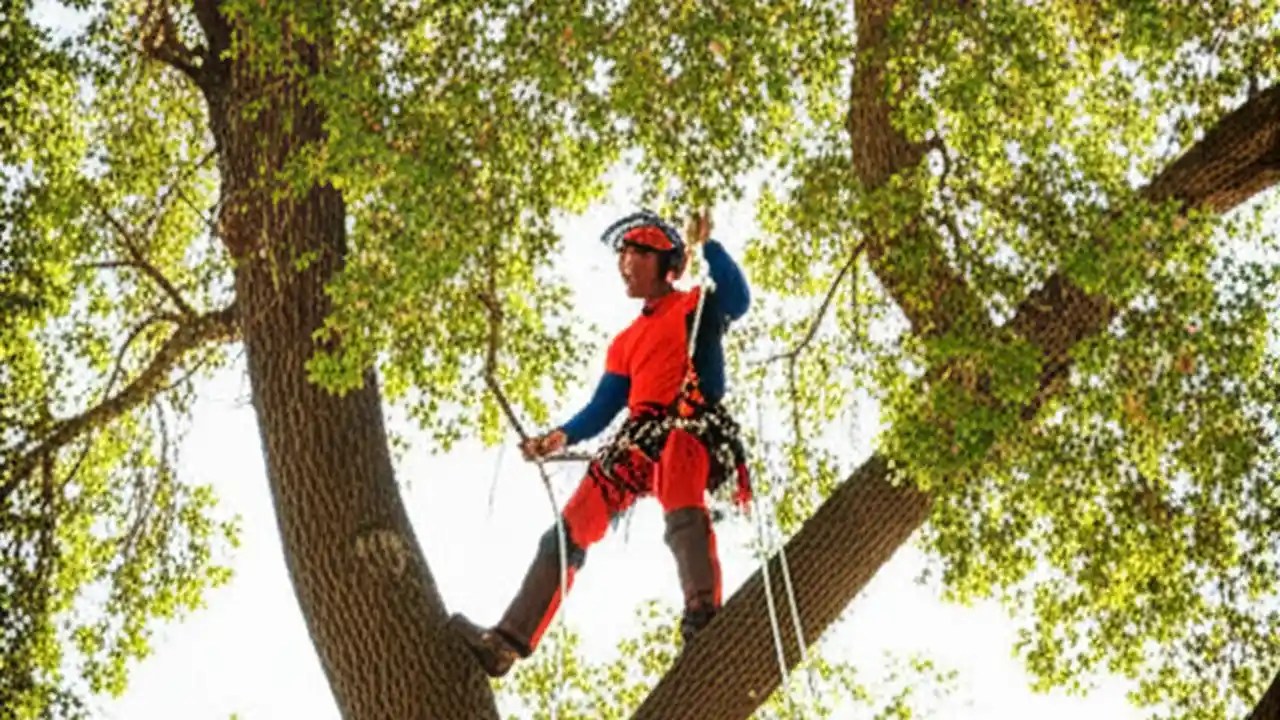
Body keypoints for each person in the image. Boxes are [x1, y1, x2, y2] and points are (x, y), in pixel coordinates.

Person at [449, 210, 752, 678]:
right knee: (568, 529)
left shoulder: (695, 303)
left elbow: (738, 298)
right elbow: (604, 405)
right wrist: (559, 437)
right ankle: (506, 642)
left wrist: (710, 246)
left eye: (639, 252)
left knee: (678, 480)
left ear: (665, 262)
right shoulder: (626, 342)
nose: (626, 261)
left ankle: (704, 614)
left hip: (689, 424)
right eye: (623, 253)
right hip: (638, 438)